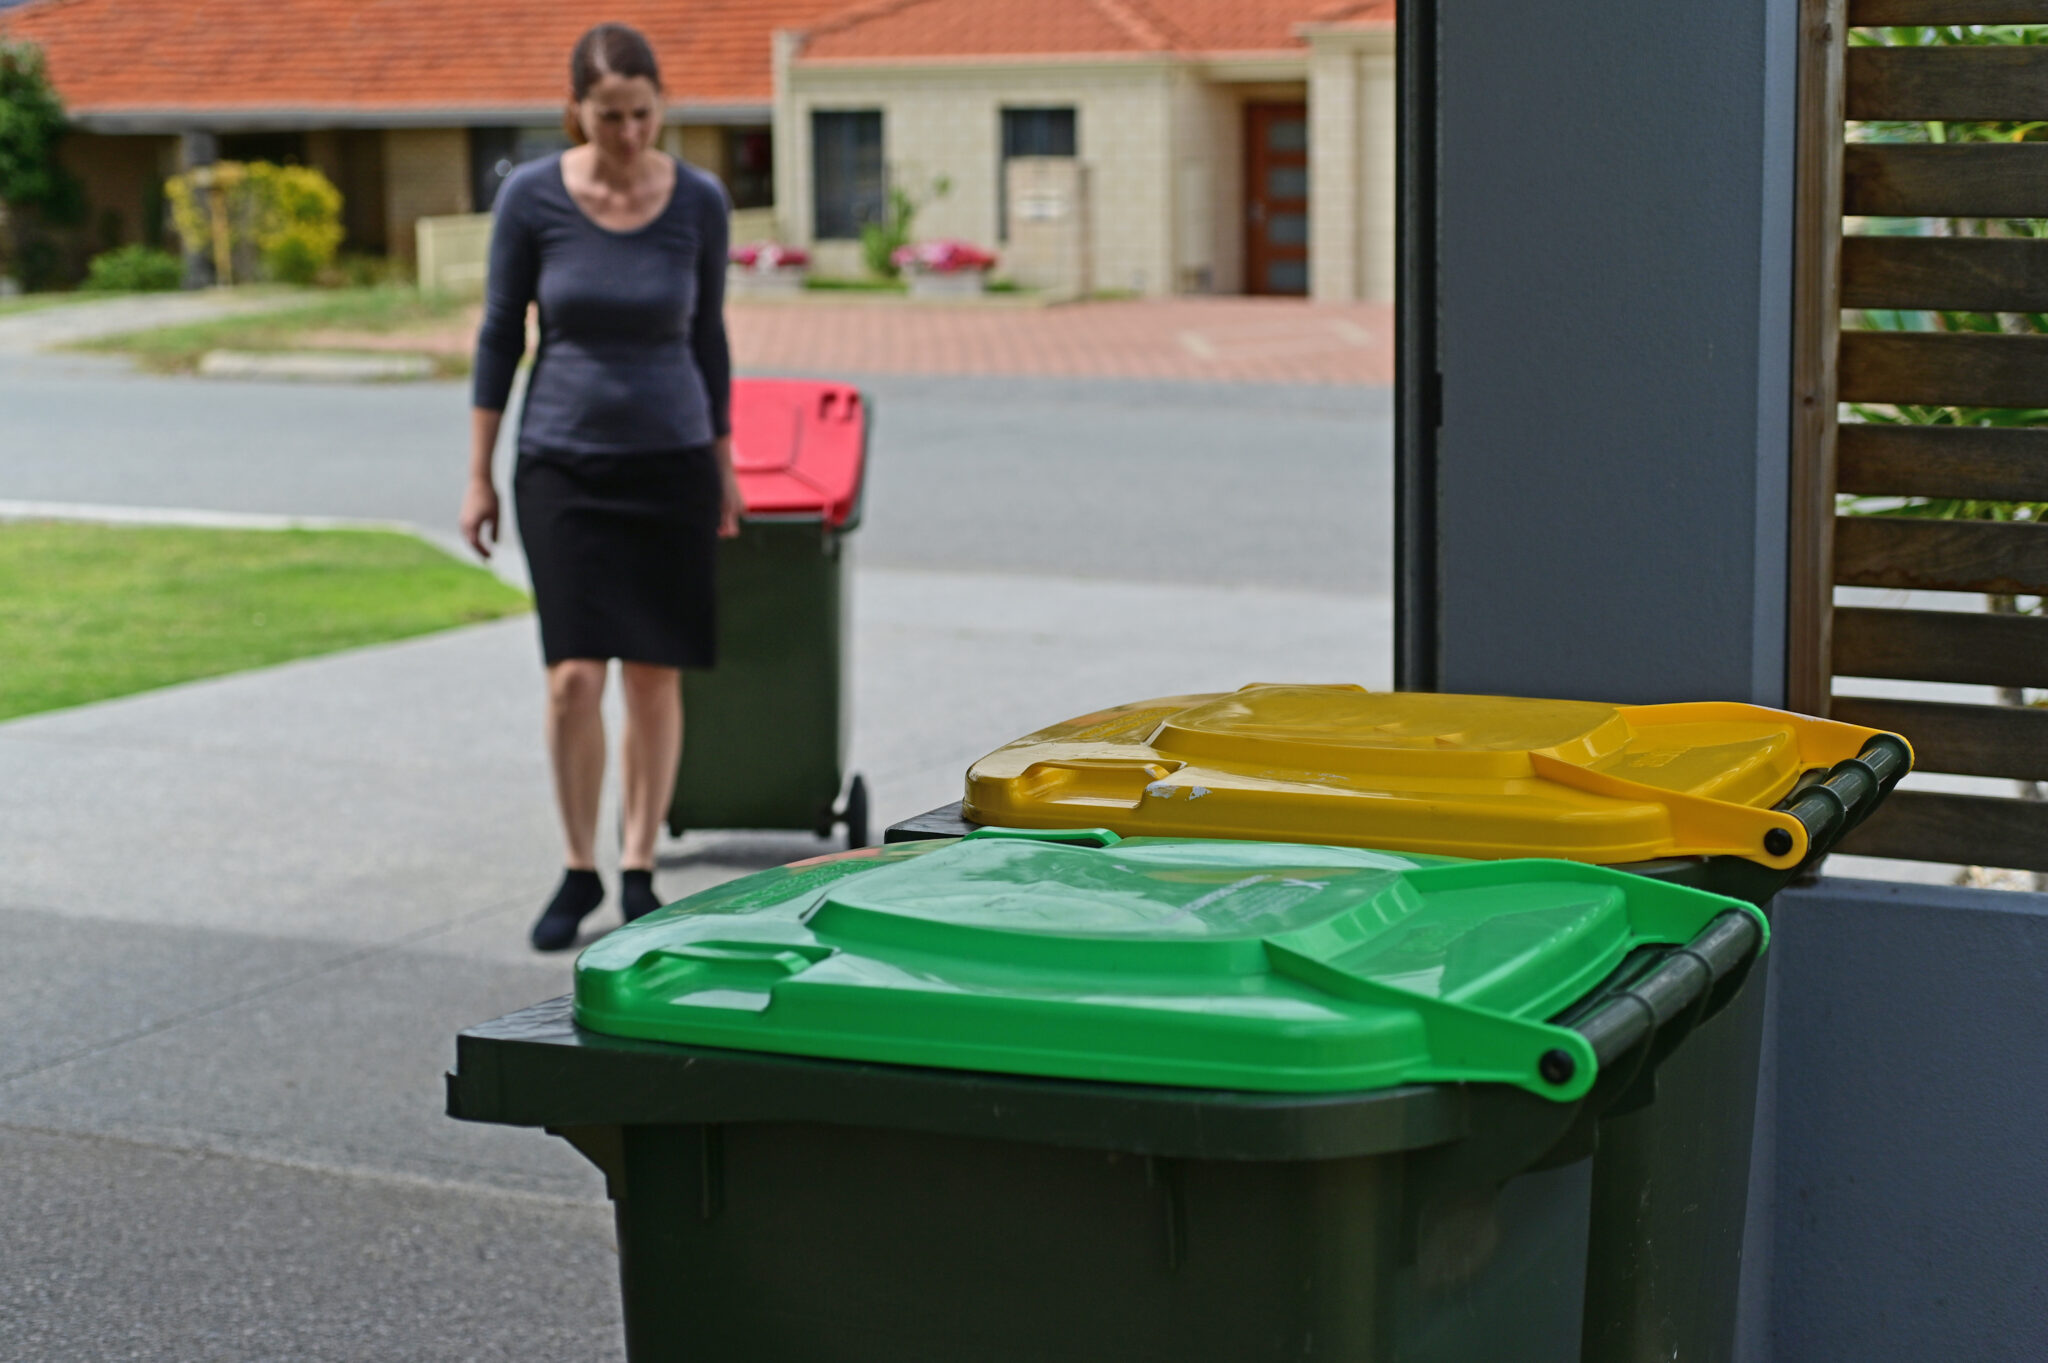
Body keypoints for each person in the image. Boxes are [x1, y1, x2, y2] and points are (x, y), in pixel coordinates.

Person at [461, 22, 741, 951]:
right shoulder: (533, 199)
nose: (627, 133)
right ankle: (578, 866)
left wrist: (723, 464)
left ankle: (638, 866)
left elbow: (709, 340)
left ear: (662, 108)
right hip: (561, 462)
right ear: (574, 111)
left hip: (671, 462)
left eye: (642, 115)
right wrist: (479, 474)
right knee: (574, 678)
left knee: (653, 676)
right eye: (609, 116)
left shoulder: (698, 200)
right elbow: (502, 333)